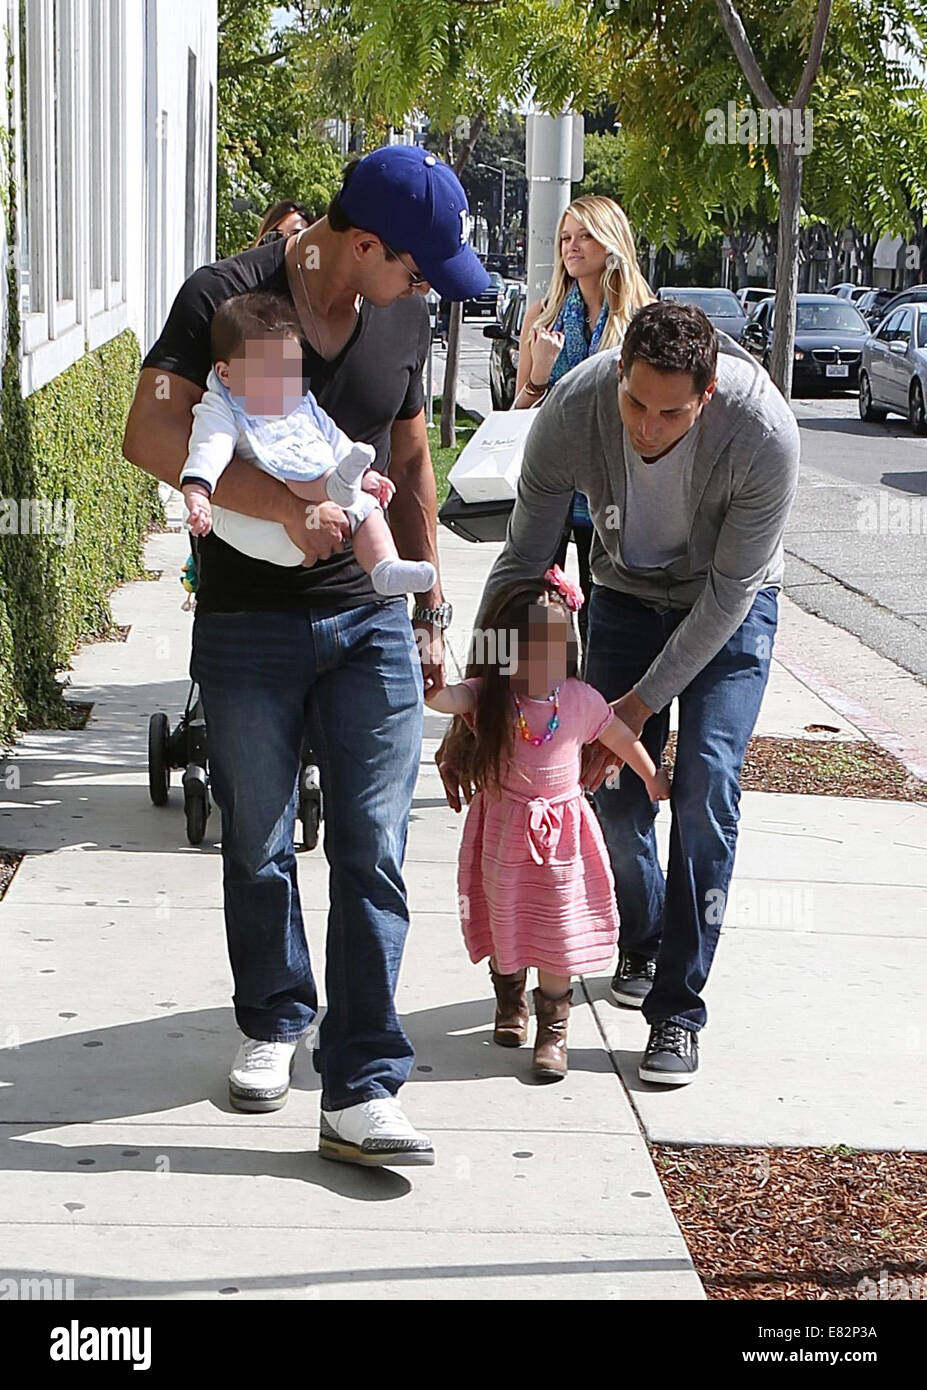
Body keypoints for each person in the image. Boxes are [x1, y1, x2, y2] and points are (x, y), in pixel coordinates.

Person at [124, 144, 490, 1166]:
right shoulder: (225, 296)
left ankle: (364, 1079)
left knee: (372, 847)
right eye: (414, 266)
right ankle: (274, 1016)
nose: (424, 288)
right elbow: (152, 436)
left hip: (368, 618)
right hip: (248, 622)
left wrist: (428, 613)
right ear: (362, 243)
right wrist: (290, 505)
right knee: (258, 838)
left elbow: (410, 462)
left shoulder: (405, 318)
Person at [436, 300, 800, 1087]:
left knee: (703, 782)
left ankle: (676, 1012)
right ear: (619, 378)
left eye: (669, 412)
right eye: (633, 401)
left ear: (706, 396)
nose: (643, 424)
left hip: (729, 607)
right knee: (605, 791)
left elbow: (730, 593)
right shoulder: (575, 406)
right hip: (626, 592)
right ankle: (643, 934)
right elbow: (519, 565)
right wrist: (484, 703)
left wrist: (632, 708)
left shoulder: (763, 432)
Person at [426, 565, 669, 1080]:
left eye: (554, 646)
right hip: (502, 832)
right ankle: (509, 999)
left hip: (563, 838)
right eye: (529, 647)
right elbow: (444, 698)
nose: (543, 659)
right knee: (505, 918)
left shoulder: (579, 700)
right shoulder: (490, 698)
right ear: (503, 649)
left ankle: (553, 1030)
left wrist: (652, 778)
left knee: (558, 930)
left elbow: (620, 736)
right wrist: (425, 667)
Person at [181, 291, 436, 598]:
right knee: (307, 482)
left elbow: (331, 438)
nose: (285, 384)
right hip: (261, 528)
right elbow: (210, 446)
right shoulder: (223, 406)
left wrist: (364, 475)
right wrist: (197, 491)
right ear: (226, 373)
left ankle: (385, 567)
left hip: (322, 512)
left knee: (367, 509)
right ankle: (337, 485)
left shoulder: (298, 402)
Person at [513, 197, 653, 655]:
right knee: (536, 618)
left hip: (612, 492)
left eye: (584, 236)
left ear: (611, 242)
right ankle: (536, 716)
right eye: (565, 238)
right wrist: (539, 372)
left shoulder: (640, 321)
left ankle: (597, 716)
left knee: (607, 618)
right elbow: (517, 415)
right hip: (549, 491)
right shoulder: (543, 316)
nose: (571, 247)